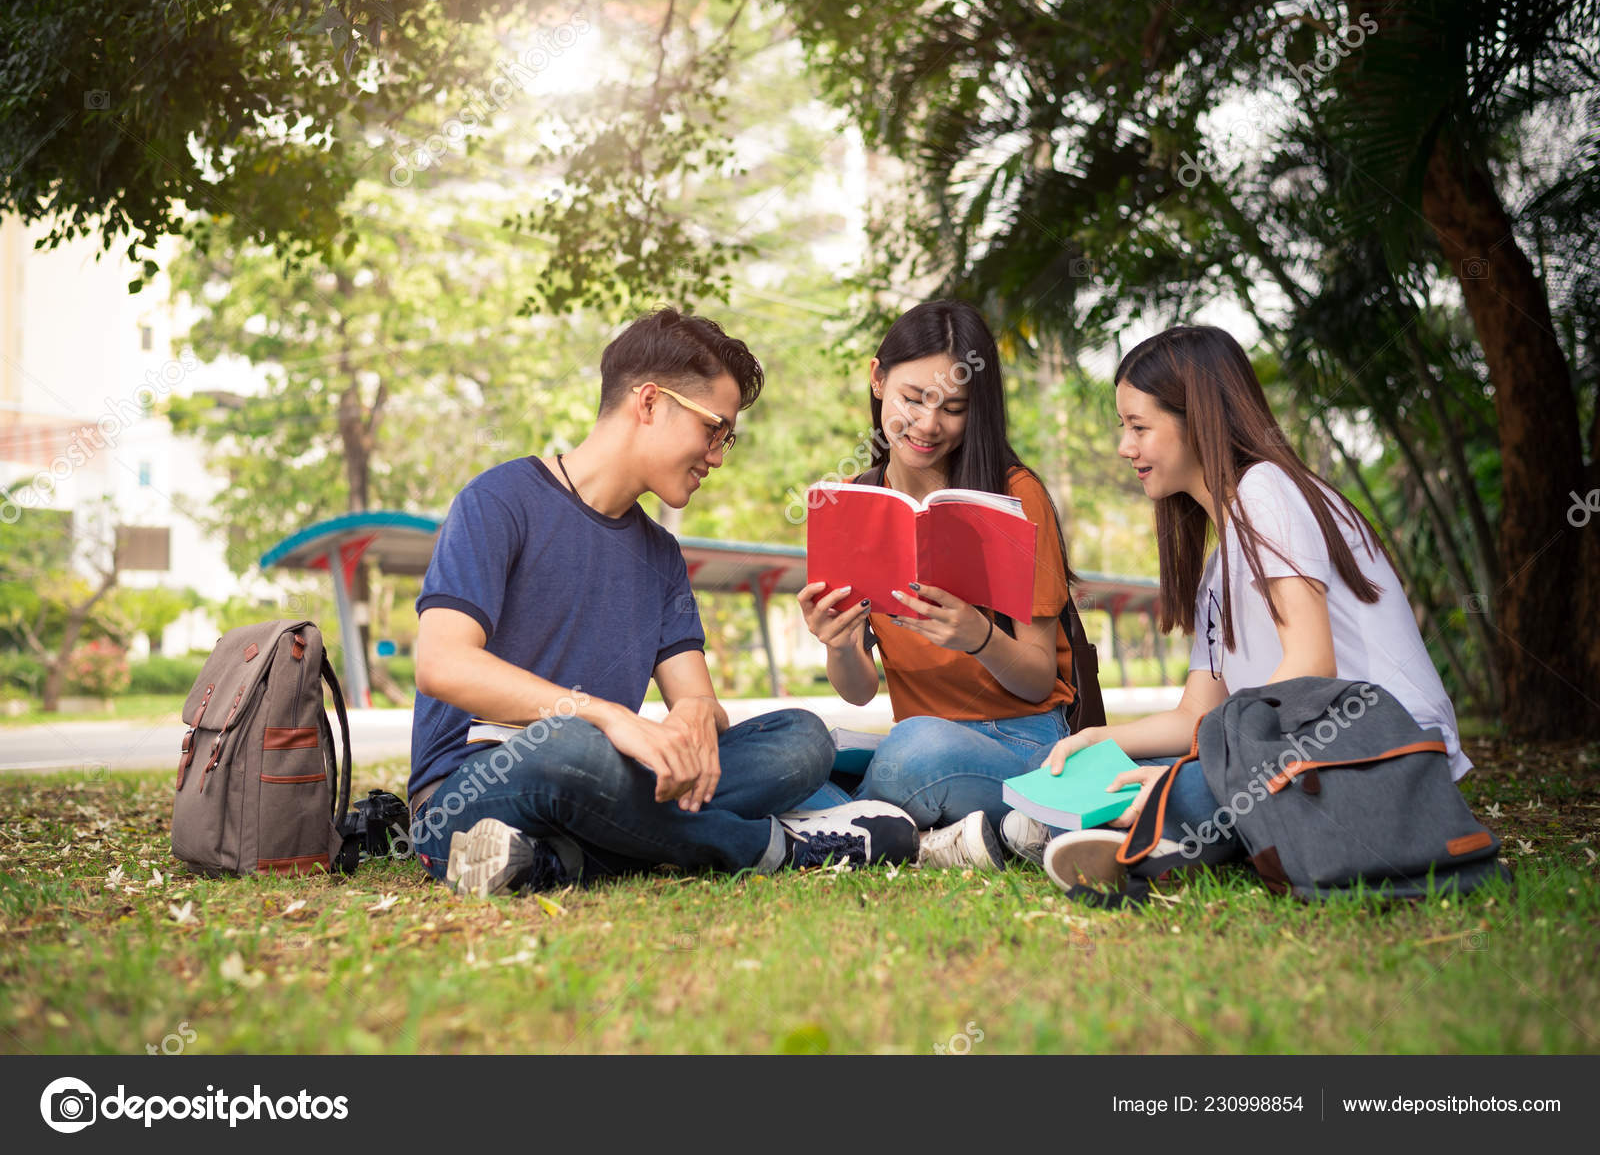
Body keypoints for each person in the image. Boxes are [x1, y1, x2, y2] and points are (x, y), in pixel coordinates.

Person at [408, 307, 917, 898]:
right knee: (569, 745)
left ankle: (561, 861)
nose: (720, 456)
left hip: (606, 779)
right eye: (714, 429)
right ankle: (777, 848)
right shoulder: (500, 500)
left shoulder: (661, 556)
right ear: (649, 403)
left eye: (729, 437)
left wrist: (699, 714)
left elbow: (697, 700)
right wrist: (609, 716)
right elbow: (441, 664)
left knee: (801, 740)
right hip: (474, 789)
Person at [1022, 324, 1475, 893]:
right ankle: (1150, 833)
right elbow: (1196, 716)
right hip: (1310, 756)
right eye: (1123, 428)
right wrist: (1102, 741)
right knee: (1130, 781)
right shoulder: (1221, 556)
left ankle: (1149, 837)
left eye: (1139, 426)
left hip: (1383, 760)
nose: (1124, 447)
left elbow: (1311, 668)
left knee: (1175, 789)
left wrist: (1192, 771)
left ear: (1199, 418)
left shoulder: (1266, 492)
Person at [795, 300, 1080, 871]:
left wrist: (978, 636)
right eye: (912, 399)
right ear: (877, 380)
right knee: (799, 749)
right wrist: (839, 644)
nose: (928, 425)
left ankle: (852, 826)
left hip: (1022, 741)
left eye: (953, 408)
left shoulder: (1014, 497)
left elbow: (1035, 679)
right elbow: (857, 691)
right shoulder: (858, 501)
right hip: (923, 740)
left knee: (911, 752)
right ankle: (946, 838)